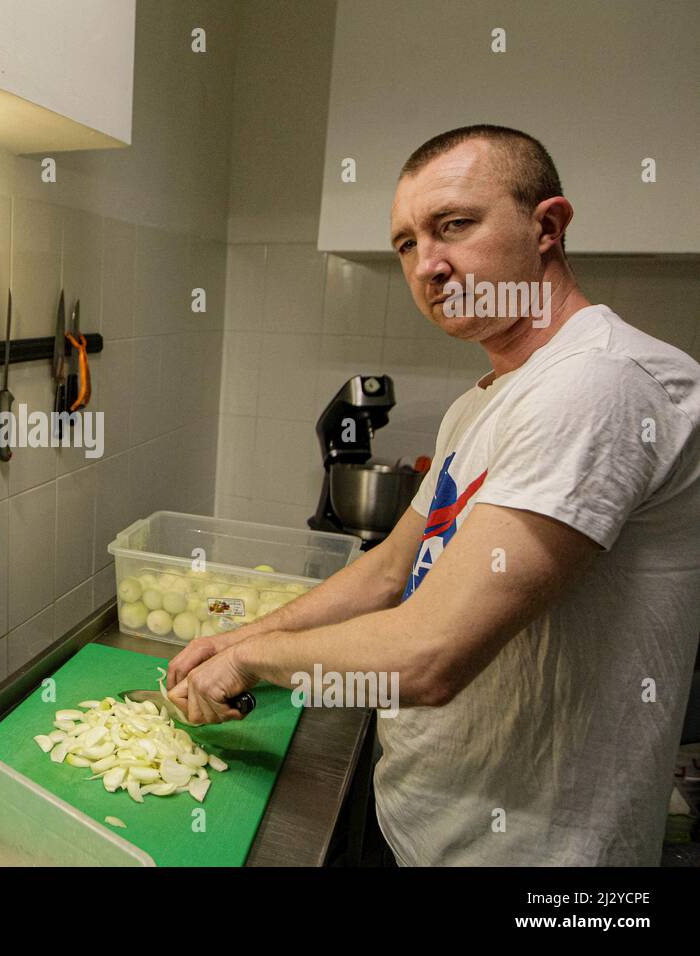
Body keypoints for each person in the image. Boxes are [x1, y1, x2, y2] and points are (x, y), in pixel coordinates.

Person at [167, 124, 700, 866]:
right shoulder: (482, 401)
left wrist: (252, 666)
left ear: (547, 226)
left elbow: (430, 655)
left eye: (454, 225)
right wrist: (240, 638)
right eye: (407, 243)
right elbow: (392, 568)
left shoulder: (600, 384)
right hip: (426, 821)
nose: (428, 265)